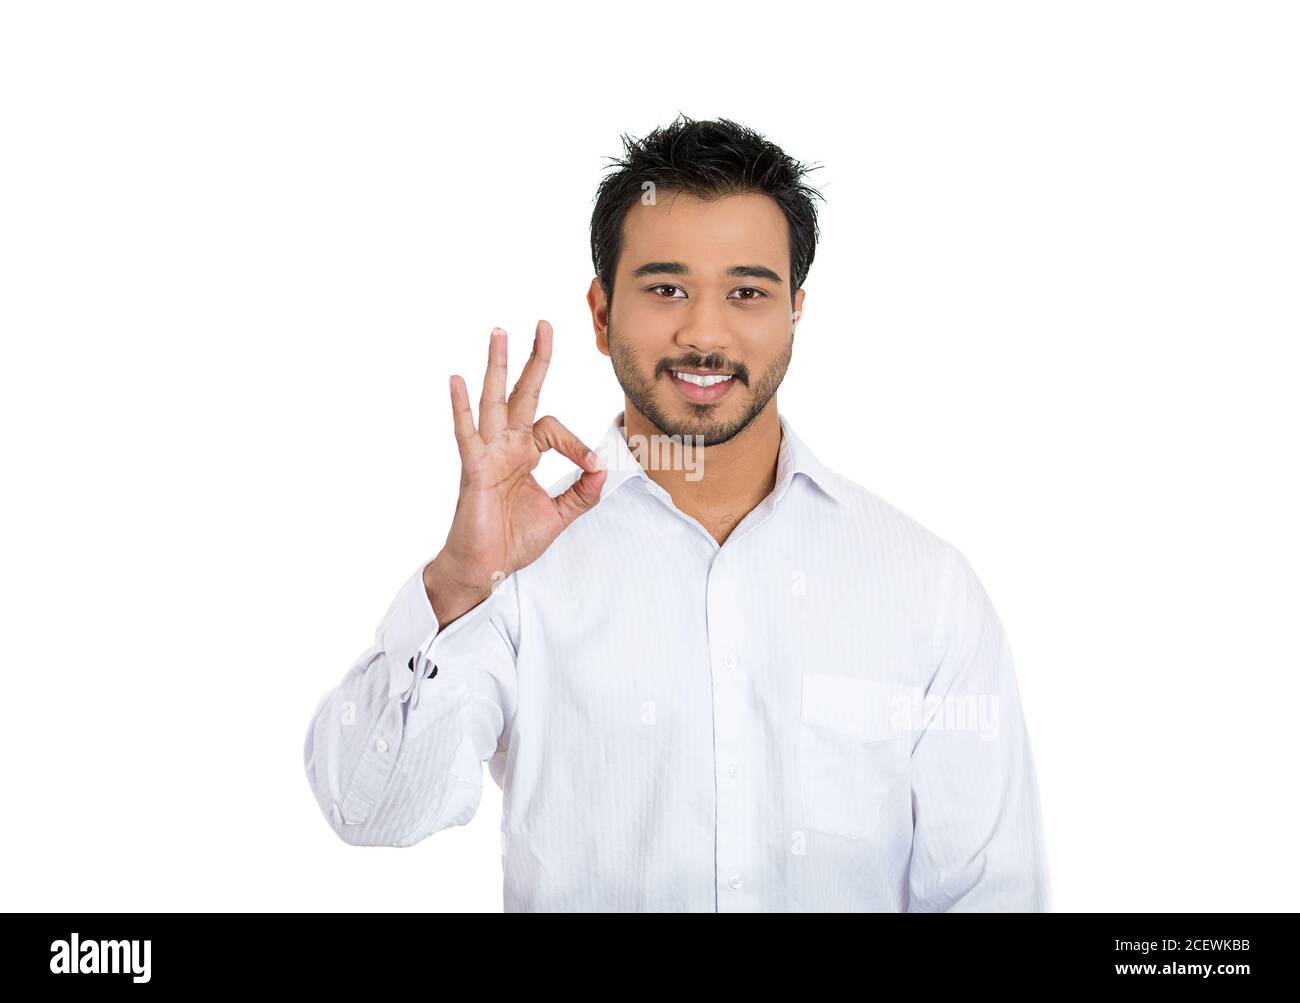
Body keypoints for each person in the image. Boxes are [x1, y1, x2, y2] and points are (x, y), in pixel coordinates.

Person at [303, 114, 1050, 912]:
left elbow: (991, 894)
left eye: (746, 292)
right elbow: (370, 808)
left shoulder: (923, 583)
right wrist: (460, 581)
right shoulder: (517, 575)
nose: (704, 332)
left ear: (796, 309)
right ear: (600, 312)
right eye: (666, 289)